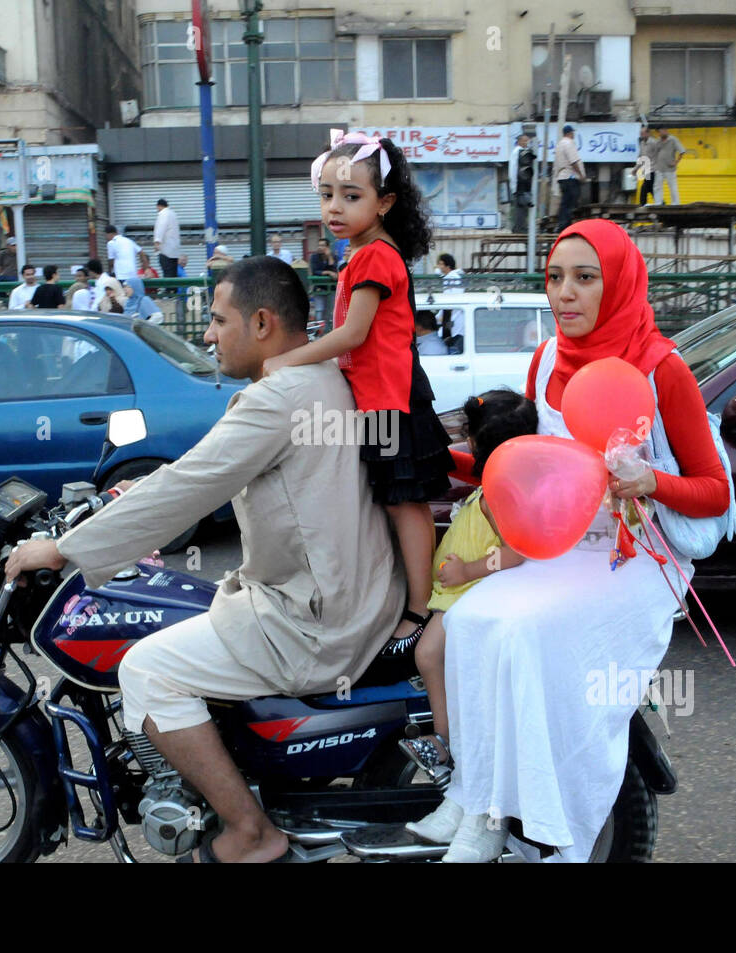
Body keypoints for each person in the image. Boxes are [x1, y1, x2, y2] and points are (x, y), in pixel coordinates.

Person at [4, 255, 407, 863]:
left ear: (263, 322)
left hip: (314, 621)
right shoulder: (322, 378)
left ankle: (250, 831)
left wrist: (64, 549)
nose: (208, 335)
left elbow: (194, 484)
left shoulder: (276, 398)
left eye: (219, 321)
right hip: (355, 596)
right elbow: (197, 470)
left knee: (146, 671)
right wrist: (125, 499)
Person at [416, 219, 730, 862]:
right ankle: (478, 802)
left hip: (635, 558)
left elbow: (713, 490)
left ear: (617, 284)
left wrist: (650, 479)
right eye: (556, 277)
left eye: (585, 278)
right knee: (474, 619)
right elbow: (532, 473)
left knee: (523, 630)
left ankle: (550, 828)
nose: (565, 293)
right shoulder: (546, 358)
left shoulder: (662, 368)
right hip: (559, 549)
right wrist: (434, 457)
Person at [266, 132, 453, 653]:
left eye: (352, 195)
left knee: (405, 506)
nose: (335, 206)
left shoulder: (373, 257)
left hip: (390, 403)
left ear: (385, 202)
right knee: (395, 505)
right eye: (327, 194)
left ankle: (419, 609)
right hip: (381, 402)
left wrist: (285, 358)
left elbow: (352, 335)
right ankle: (410, 600)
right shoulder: (366, 253)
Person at [400, 390, 533, 792]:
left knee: (427, 653)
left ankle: (445, 740)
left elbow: (516, 554)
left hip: (465, 592)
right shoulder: (498, 480)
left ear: (476, 443)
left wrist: (467, 570)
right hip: (455, 589)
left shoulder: (500, 496)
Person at [553, 124, 586, 230]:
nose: (573, 135)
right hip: (569, 177)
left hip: (562, 177)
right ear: (570, 133)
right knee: (571, 202)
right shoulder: (569, 143)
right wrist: (581, 175)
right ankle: (565, 225)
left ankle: (562, 224)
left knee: (565, 202)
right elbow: (573, 161)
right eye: (573, 133)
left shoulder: (559, 144)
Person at [508, 133, 536, 233]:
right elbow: (513, 169)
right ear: (519, 141)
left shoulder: (525, 153)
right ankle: (519, 228)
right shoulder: (516, 152)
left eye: (527, 141)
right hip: (518, 185)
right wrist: (514, 186)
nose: (526, 143)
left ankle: (522, 227)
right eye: (524, 141)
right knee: (519, 209)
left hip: (524, 184)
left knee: (524, 209)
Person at [309, 238, 338, 328]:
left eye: (323, 245)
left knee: (331, 311)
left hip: (331, 288)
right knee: (319, 311)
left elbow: (334, 270)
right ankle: (318, 331)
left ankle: (329, 331)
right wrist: (327, 273)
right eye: (319, 245)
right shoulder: (314, 257)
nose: (320, 247)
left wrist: (329, 257)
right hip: (319, 287)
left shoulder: (333, 256)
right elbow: (315, 271)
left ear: (328, 247)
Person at [651, 128, 685, 205]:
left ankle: (676, 203)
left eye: (662, 131)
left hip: (670, 168)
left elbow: (682, 151)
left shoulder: (673, 140)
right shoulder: (658, 141)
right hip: (659, 167)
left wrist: (676, 162)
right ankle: (658, 202)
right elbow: (655, 153)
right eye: (659, 132)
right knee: (657, 186)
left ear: (666, 131)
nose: (660, 133)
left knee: (672, 186)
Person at [153, 198, 182, 277]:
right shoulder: (173, 214)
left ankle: (169, 289)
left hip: (166, 250)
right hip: (174, 251)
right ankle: (173, 289)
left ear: (158, 206)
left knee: (167, 274)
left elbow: (161, 228)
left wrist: (157, 243)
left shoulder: (163, 214)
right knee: (173, 274)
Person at [636, 126, 656, 205]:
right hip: (647, 170)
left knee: (644, 188)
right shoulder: (642, 143)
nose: (641, 135)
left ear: (648, 133)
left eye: (642, 133)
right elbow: (641, 156)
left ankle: (643, 205)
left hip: (653, 170)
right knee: (651, 189)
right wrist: (636, 168)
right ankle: (661, 203)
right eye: (640, 134)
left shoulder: (653, 143)